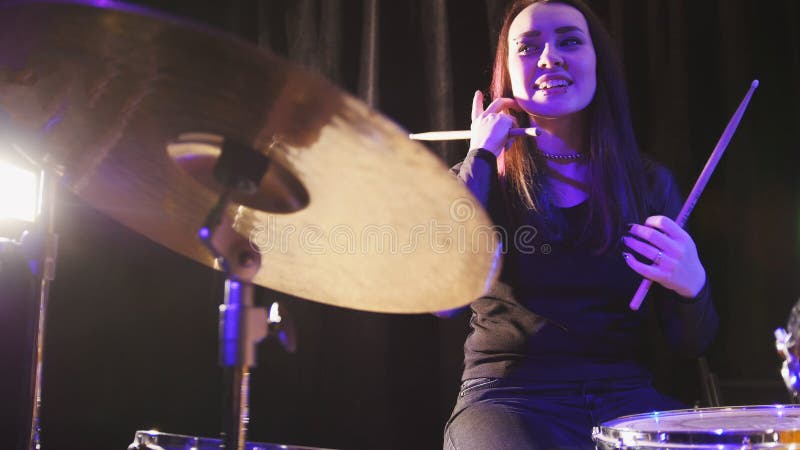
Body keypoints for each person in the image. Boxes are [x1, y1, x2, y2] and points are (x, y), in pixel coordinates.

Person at [442, 0, 718, 448]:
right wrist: (482, 156)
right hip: (508, 397)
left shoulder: (648, 182)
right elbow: (443, 299)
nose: (549, 57)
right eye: (528, 48)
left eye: (569, 40)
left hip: (626, 396)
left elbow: (693, 343)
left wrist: (693, 285)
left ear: (597, 61)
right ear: (508, 72)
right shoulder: (479, 176)